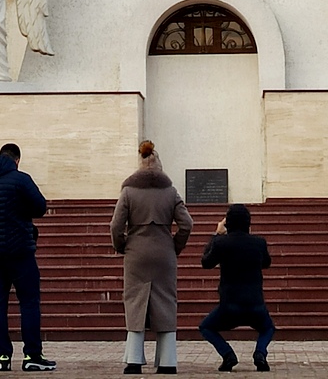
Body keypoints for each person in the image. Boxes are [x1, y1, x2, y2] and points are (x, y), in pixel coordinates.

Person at [110, 141, 192, 376]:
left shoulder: (128, 191)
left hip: (136, 253)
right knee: (166, 301)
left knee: (135, 302)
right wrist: (174, 247)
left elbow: (115, 226)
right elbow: (187, 224)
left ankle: (134, 360)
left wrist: (122, 246)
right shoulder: (171, 191)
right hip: (164, 252)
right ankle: (167, 361)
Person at [0, 142, 54, 374]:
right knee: (28, 302)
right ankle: (32, 355)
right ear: (16, 160)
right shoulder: (21, 180)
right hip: (20, 252)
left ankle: (2, 356)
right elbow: (40, 207)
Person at [197, 205, 274, 372]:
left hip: (229, 306)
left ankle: (228, 354)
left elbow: (206, 262)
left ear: (228, 223)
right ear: (248, 223)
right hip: (255, 304)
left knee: (206, 327)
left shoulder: (221, 243)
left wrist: (216, 234)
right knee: (268, 327)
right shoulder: (259, 243)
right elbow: (266, 263)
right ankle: (260, 352)